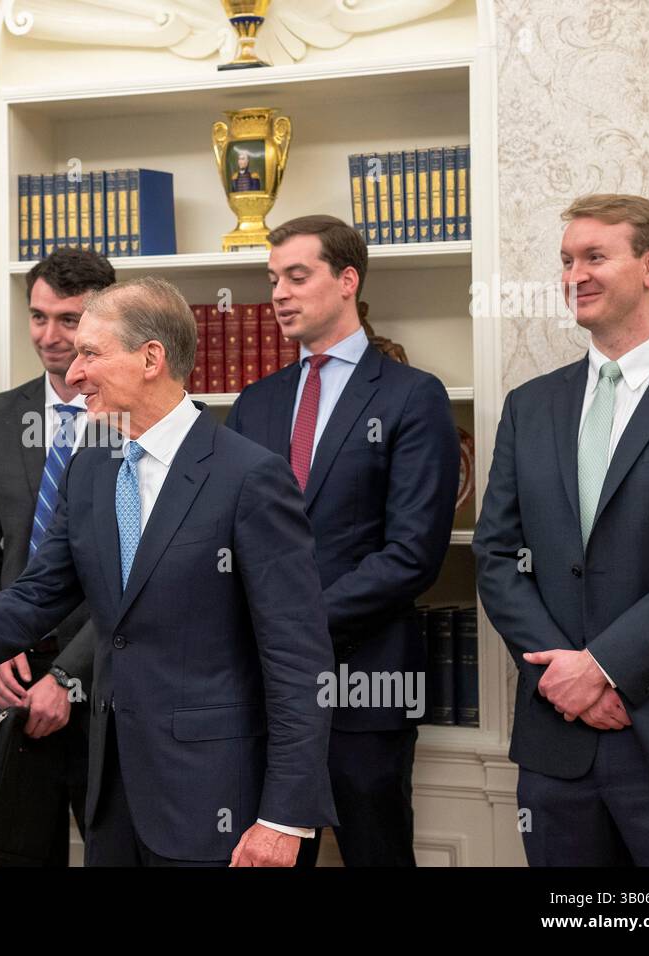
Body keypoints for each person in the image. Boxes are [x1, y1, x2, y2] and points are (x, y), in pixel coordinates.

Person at [0, 276, 337, 866]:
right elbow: (38, 595)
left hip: (218, 806)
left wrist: (285, 817)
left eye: (90, 352)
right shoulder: (89, 465)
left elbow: (298, 658)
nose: (73, 372)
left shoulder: (249, 477)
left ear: (150, 358)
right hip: (111, 799)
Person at [472, 194, 649, 866]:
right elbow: (497, 557)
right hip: (557, 748)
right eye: (565, 260)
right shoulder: (531, 406)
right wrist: (567, 679)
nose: (572, 275)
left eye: (593, 257)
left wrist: (605, 669)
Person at [226, 215, 459, 866]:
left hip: (366, 685)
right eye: (272, 279)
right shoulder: (255, 404)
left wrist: (294, 627)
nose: (278, 293)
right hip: (261, 689)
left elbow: (413, 554)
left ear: (347, 280)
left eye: (297, 277)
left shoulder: (414, 398)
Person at [0, 247, 114, 867]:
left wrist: (70, 676)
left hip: (105, 690)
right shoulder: (0, 415)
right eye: (38, 316)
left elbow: (141, 576)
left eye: (68, 320)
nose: (50, 336)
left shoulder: (132, 422)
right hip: (8, 690)